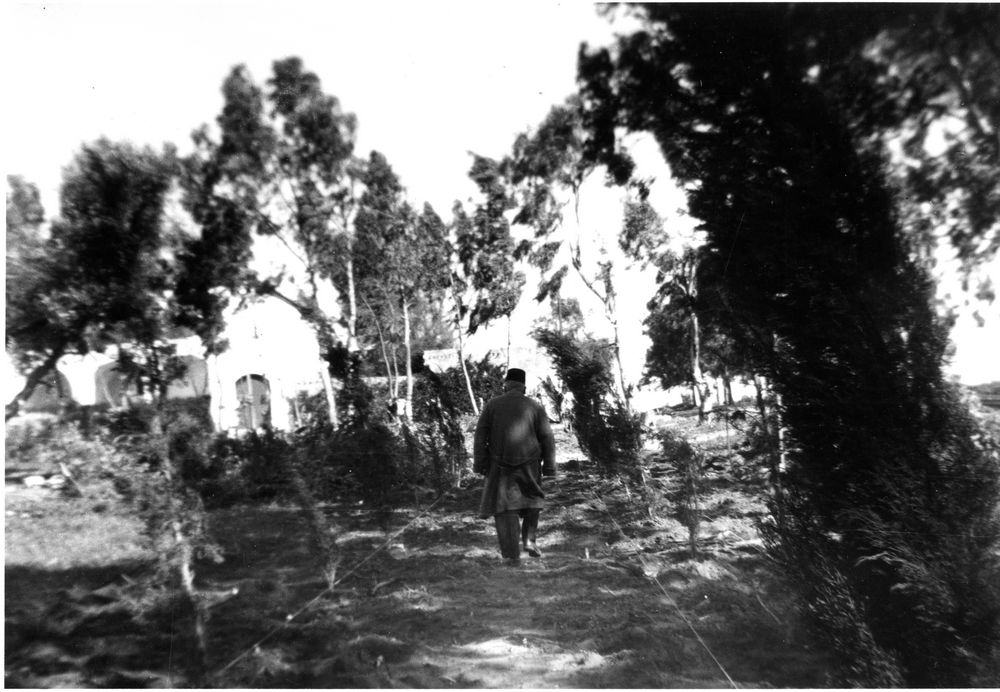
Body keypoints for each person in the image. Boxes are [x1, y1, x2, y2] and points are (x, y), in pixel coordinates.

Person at [474, 367, 557, 565]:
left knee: (505, 507)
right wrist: (549, 468)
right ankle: (529, 541)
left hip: (499, 464)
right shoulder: (535, 406)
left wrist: (480, 463)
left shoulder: (492, 405)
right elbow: (547, 437)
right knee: (532, 499)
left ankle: (511, 555)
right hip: (530, 463)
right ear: (524, 387)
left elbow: (480, 435)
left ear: (506, 385)